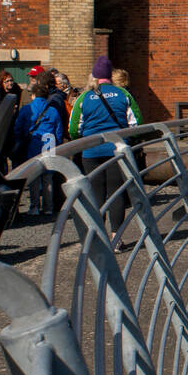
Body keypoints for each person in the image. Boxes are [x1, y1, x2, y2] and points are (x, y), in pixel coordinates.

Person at [68, 55, 140, 244]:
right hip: (116, 150)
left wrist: (84, 140)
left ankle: (98, 237)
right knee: (116, 193)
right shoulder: (123, 95)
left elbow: (73, 129)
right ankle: (116, 237)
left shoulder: (84, 97)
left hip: (91, 152)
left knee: (96, 194)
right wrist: (126, 139)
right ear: (110, 74)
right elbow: (136, 122)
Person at [13, 81, 64, 215]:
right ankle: (48, 207)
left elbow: (17, 129)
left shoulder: (27, 109)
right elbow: (59, 131)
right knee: (48, 179)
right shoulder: (53, 111)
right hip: (49, 147)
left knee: (34, 179)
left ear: (33, 95)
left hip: (33, 146)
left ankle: (34, 207)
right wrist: (57, 144)